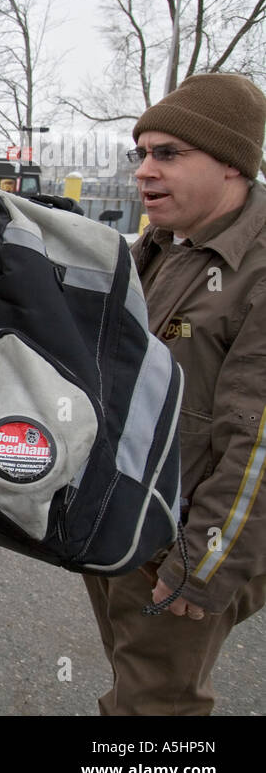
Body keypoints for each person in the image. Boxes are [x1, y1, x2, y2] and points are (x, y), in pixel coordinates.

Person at [84, 73, 266, 715]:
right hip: (126, 525)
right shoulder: (155, 251)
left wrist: (204, 562)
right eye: (142, 153)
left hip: (187, 540)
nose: (143, 170)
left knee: (156, 711)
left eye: (167, 154)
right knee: (134, 689)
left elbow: (259, 441)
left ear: (231, 165)